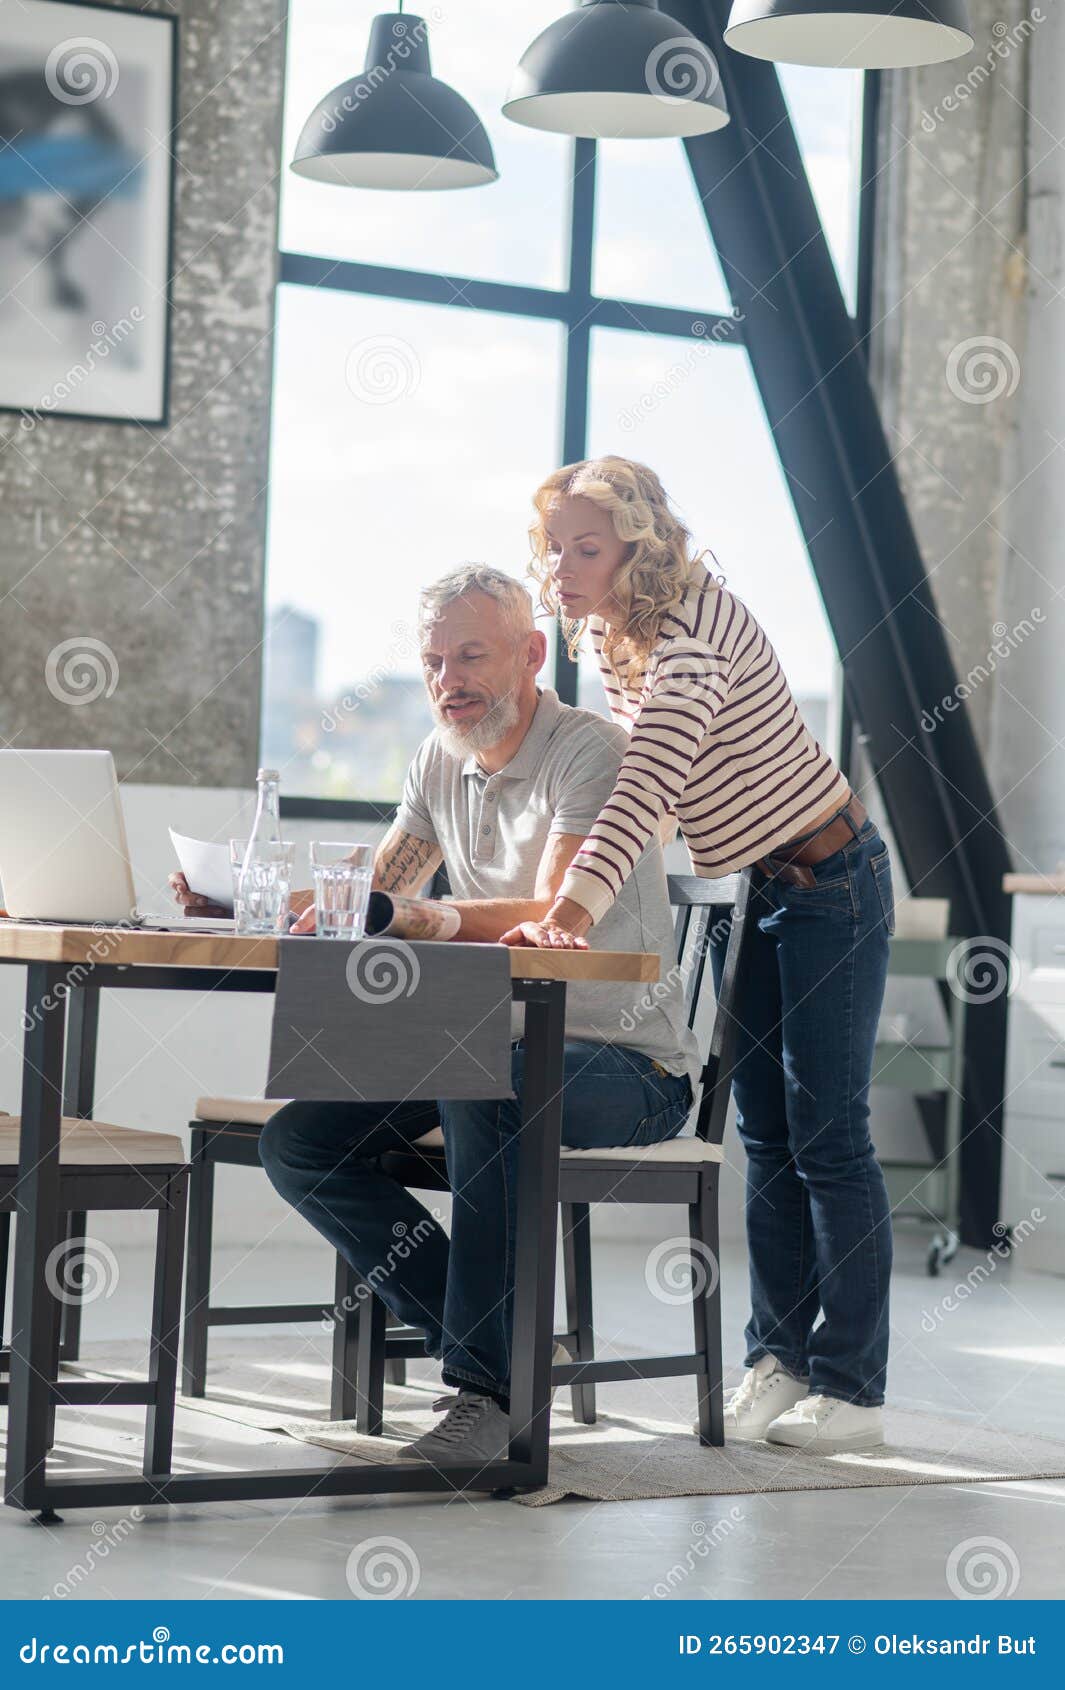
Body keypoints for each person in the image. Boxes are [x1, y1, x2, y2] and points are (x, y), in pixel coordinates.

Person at [204, 566, 700, 1466]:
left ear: (531, 654)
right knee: (301, 1144)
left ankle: (487, 1393)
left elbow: (549, 907)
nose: (448, 680)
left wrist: (410, 916)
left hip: (630, 1067)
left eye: (471, 656)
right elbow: (374, 889)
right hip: (486, 1053)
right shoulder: (439, 757)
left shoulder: (591, 750)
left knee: (488, 1086)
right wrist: (243, 897)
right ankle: (505, 1346)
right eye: (433, 661)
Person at [506, 456, 896, 1453]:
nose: (561, 567)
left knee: (829, 1135)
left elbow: (646, 790)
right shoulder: (613, 636)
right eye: (553, 547)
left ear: (636, 547)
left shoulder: (689, 637)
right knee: (765, 1133)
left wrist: (570, 913)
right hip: (763, 885)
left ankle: (853, 1389)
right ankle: (780, 1360)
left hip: (834, 880)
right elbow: (647, 790)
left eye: (585, 548)